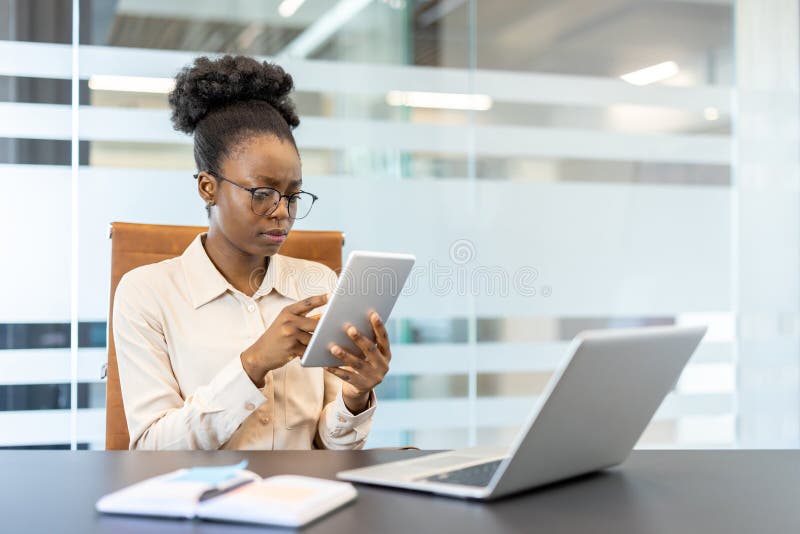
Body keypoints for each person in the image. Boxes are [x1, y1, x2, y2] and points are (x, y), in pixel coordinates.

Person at [113, 55, 392, 450]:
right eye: (262, 194)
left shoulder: (317, 283)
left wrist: (356, 395)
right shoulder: (146, 294)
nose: (282, 212)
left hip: (303, 501)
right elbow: (151, 449)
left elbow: (332, 449)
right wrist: (253, 364)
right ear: (208, 188)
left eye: (293, 196)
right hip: (206, 505)